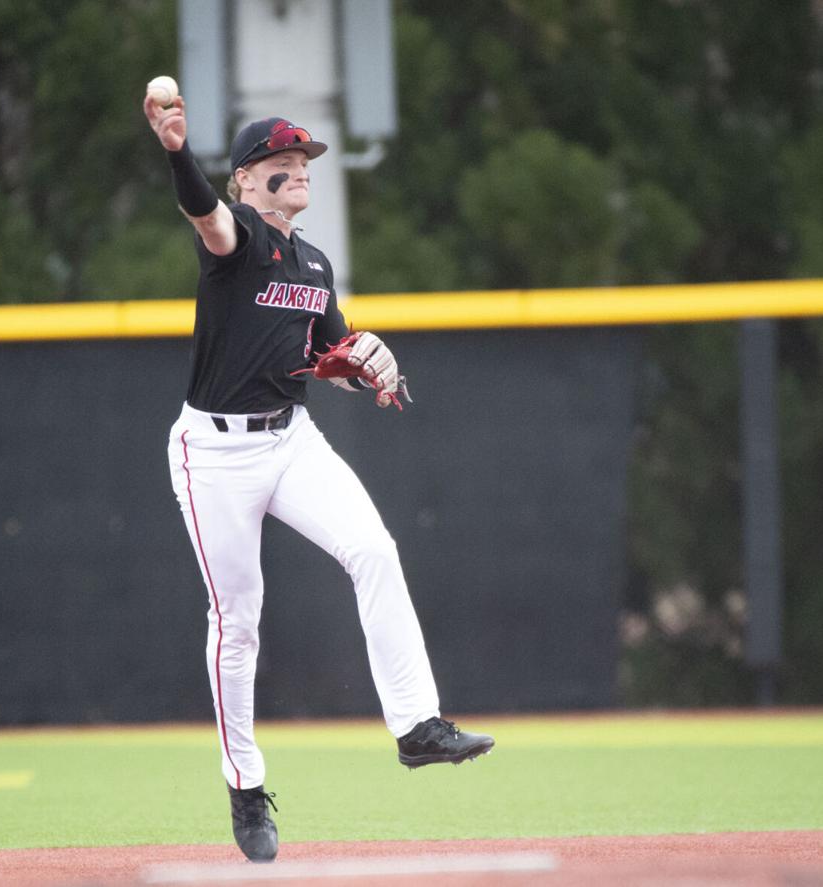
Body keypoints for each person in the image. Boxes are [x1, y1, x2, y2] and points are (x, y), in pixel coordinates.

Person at [144, 89, 494, 864]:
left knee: (373, 549)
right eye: (281, 161)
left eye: (303, 161)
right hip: (215, 453)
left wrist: (362, 364)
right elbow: (201, 211)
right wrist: (175, 150)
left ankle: (416, 726)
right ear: (245, 179)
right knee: (238, 620)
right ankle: (244, 784)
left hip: (288, 438)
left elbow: (324, 353)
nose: (297, 169)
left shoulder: (313, 260)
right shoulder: (234, 239)